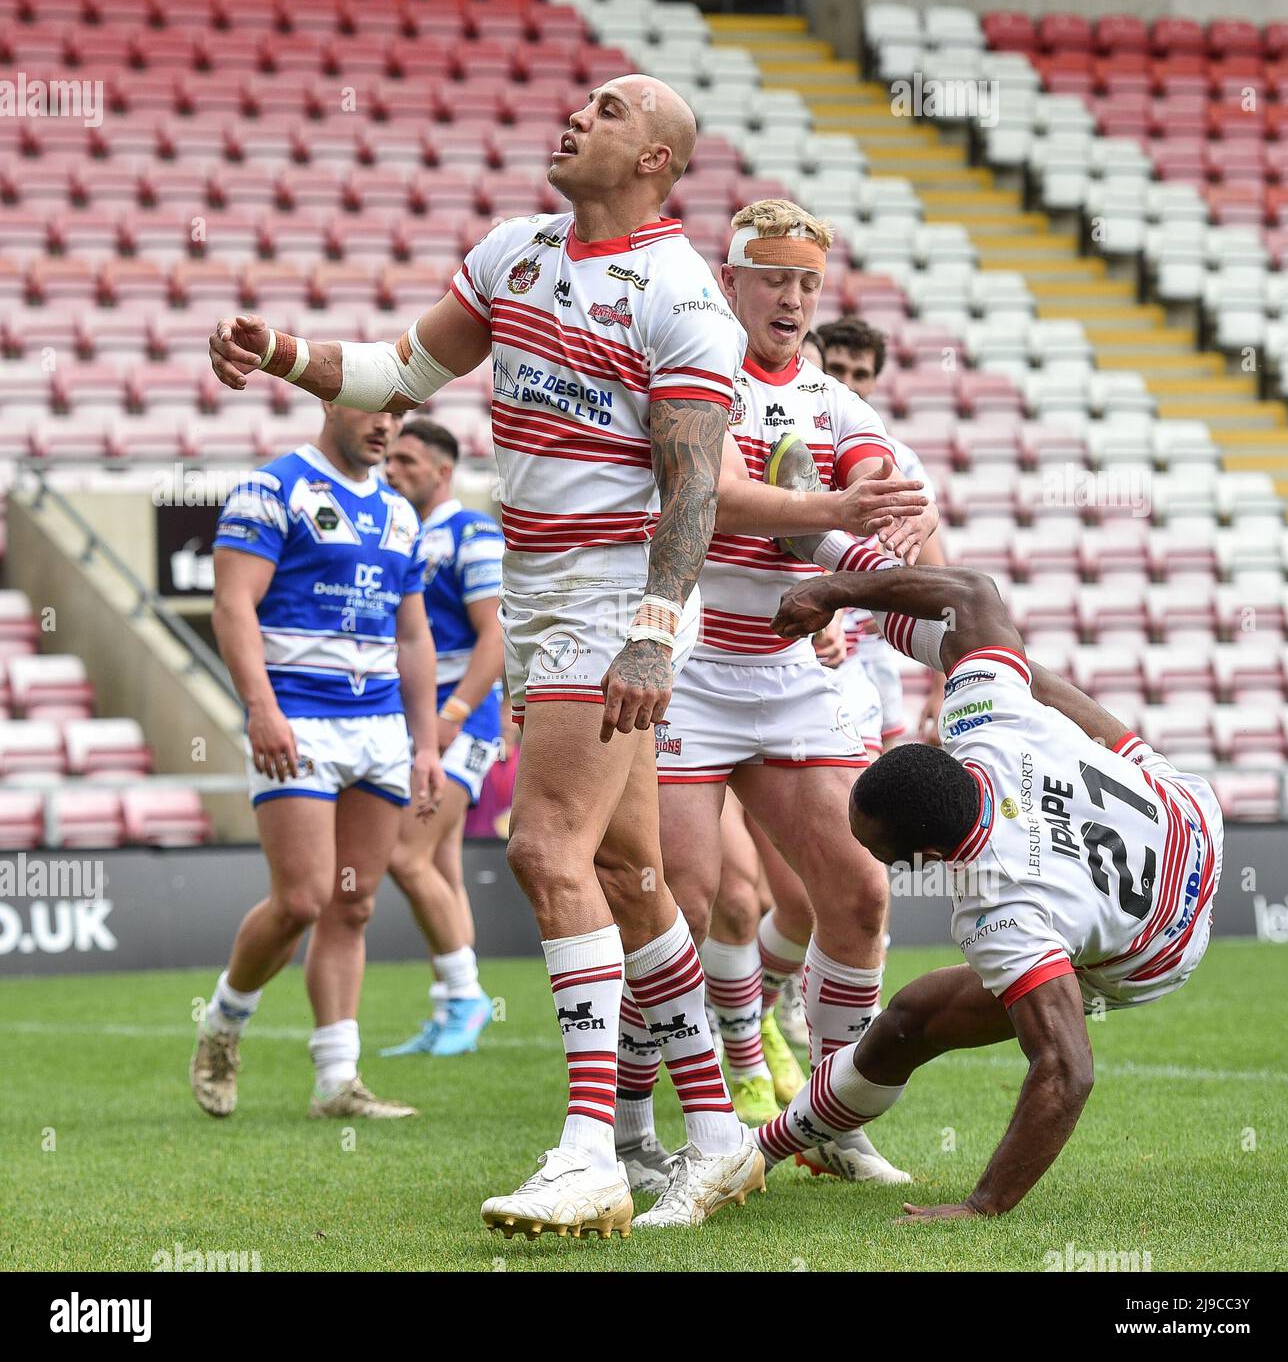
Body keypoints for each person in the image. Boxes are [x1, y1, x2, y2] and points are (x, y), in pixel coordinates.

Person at [208, 77, 916, 1236]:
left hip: (609, 591)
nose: (576, 114)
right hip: (537, 584)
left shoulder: (682, 293)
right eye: (581, 102)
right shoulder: (513, 253)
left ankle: (591, 1149)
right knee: (635, 875)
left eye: (606, 108)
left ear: (655, 159)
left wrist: (652, 627)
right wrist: (279, 348)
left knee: (546, 849)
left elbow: (691, 484)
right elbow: (398, 373)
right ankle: (721, 1133)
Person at [619, 199, 934, 1188]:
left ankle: (834, 1120)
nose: (793, 299)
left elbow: (876, 475)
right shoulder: (698, 369)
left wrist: (886, 523)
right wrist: (836, 510)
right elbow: (711, 496)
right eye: (775, 280)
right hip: (694, 666)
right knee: (673, 893)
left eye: (807, 283)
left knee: (855, 890)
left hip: (794, 673)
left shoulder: (831, 398)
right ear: (733, 281)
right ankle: (627, 1129)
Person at [758, 561, 1222, 1217]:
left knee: (920, 1021)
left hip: (1160, 950)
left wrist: (983, 1206)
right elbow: (973, 593)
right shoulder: (980, 716)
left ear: (923, 856)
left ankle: (770, 1146)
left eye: (878, 851)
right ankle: (783, 1148)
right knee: (1013, 675)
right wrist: (833, 591)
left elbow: (1068, 1071)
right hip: (1189, 820)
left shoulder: (1001, 911)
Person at [190, 405, 443, 1121]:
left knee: (354, 901)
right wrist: (261, 707)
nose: (388, 425)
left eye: (400, 413)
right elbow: (233, 605)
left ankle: (337, 1081)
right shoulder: (272, 491)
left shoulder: (399, 513)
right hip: (298, 719)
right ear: (332, 401)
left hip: (379, 728)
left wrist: (425, 744)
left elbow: (415, 637)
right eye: (375, 408)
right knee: (302, 898)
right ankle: (223, 1023)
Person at [381, 418, 504, 1058]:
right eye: (389, 458)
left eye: (406, 459)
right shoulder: (401, 534)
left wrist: (455, 712)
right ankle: (448, 1008)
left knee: (404, 855)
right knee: (439, 864)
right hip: (419, 719)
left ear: (442, 471)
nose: (391, 468)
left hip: (461, 719)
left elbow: (495, 634)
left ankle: (466, 996)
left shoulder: (471, 533)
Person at [816, 317, 948, 749]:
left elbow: (934, 577)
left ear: (875, 381)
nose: (848, 384)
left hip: (871, 645)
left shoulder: (900, 461)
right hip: (808, 638)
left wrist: (941, 682)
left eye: (861, 374)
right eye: (837, 369)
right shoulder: (789, 441)